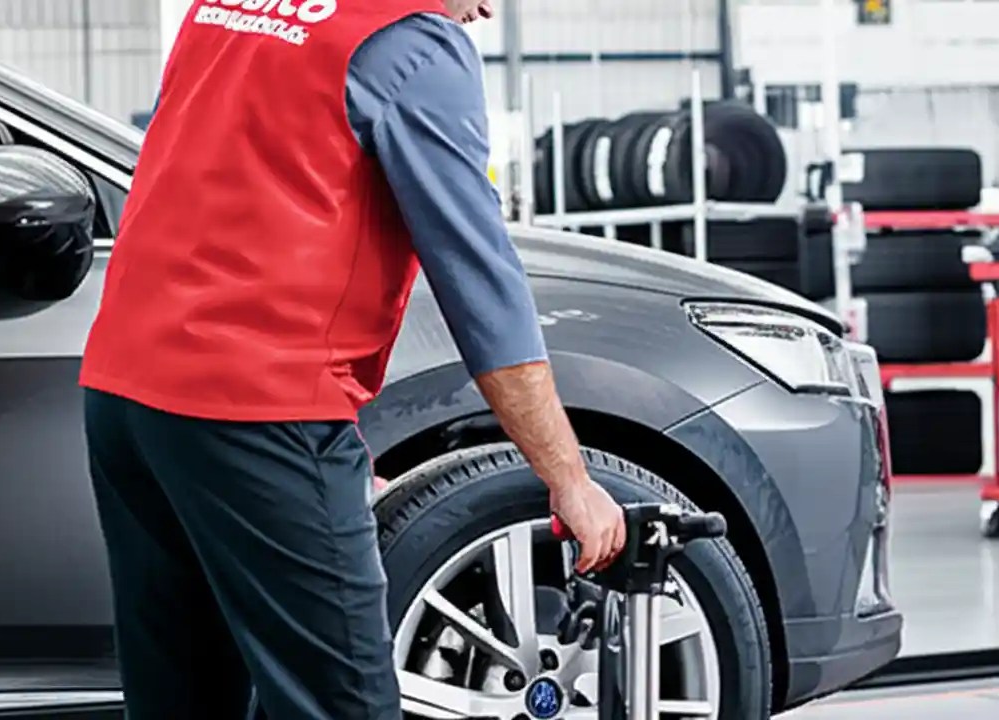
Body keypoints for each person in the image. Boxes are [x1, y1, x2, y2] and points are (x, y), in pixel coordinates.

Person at [76, 0, 628, 718]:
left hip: (126, 394)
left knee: (182, 701)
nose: (488, 10)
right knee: (342, 705)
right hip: (257, 406)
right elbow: (481, 287)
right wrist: (571, 481)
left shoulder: (225, 9)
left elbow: (225, 186)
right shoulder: (412, 47)